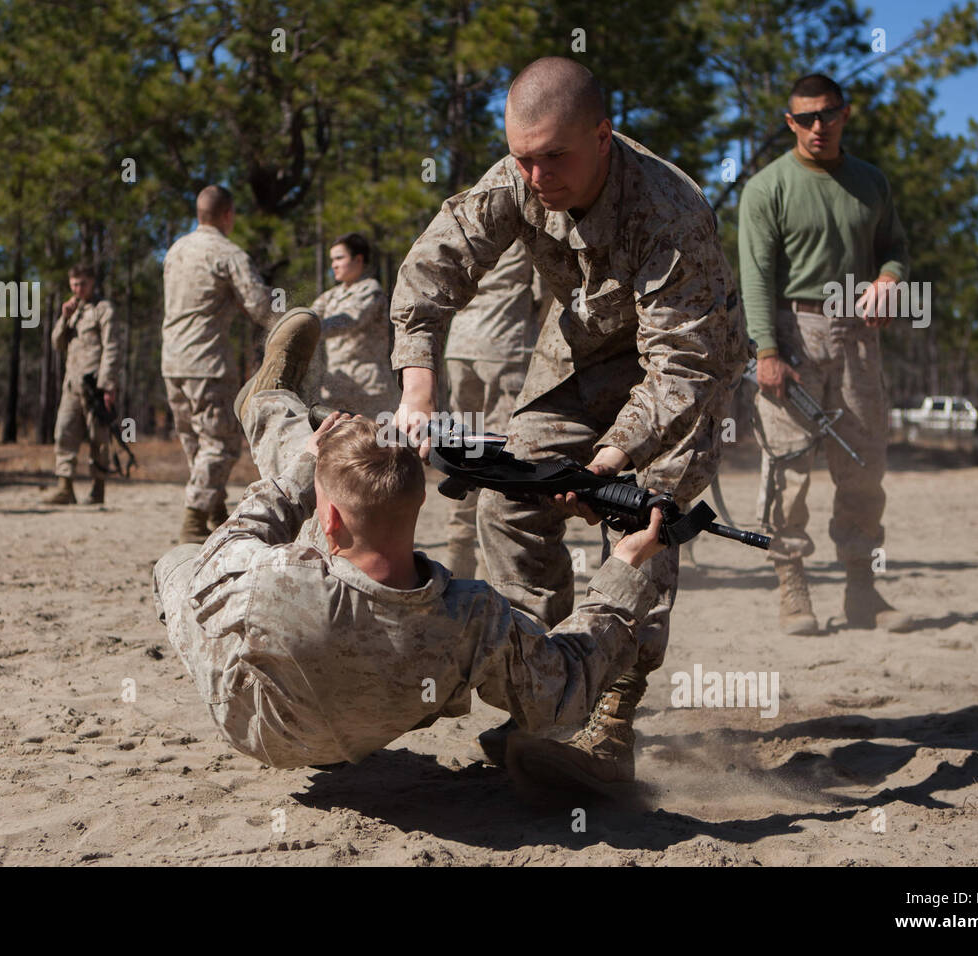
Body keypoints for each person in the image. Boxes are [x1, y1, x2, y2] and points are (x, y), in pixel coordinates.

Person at [388, 57, 747, 790]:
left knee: (643, 522)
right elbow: (433, 266)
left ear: (604, 135)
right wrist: (418, 391)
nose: (537, 176)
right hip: (576, 356)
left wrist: (609, 462)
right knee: (508, 498)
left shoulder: (669, 212)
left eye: (555, 157)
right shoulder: (517, 176)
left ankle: (612, 717)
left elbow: (680, 369)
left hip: (681, 375)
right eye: (523, 158)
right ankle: (542, 688)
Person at [152, 308, 667, 772]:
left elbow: (234, 539)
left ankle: (270, 409)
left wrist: (304, 471)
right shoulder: (473, 618)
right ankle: (274, 410)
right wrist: (622, 568)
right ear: (419, 505)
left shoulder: (273, 580)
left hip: (263, 730)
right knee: (347, 481)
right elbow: (566, 685)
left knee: (178, 564)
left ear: (326, 522)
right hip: (375, 724)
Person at [738, 73, 912, 635]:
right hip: (793, 335)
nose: (819, 126)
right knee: (789, 470)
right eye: (806, 117)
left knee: (864, 466)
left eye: (828, 114)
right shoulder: (768, 188)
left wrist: (889, 279)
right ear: (791, 123)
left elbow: (895, 249)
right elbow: (757, 277)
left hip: (859, 337)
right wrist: (766, 350)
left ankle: (862, 591)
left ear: (845, 114)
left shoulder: (871, 182)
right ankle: (793, 589)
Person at [162, 185, 278, 542]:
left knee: (193, 439)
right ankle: (194, 521)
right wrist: (294, 326)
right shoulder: (228, 254)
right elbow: (260, 306)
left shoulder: (175, 251)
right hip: (207, 362)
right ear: (228, 215)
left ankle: (212, 507)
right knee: (220, 443)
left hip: (172, 360)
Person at [441, 238, 545, 578]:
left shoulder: (473, 228)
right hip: (504, 347)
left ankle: (457, 556)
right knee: (499, 459)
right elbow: (547, 293)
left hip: (461, 346)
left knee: (464, 451)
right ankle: (492, 571)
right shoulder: (533, 226)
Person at [44, 263, 122, 506]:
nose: (78, 289)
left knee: (98, 438)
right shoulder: (73, 311)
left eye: (83, 284)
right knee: (64, 432)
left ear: (92, 283)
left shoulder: (103, 309)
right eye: (74, 284)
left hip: (95, 385)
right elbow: (57, 344)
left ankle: (98, 488)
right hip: (72, 383)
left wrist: (108, 385)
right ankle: (64, 486)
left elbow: (111, 348)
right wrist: (64, 318)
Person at [306, 233, 399, 420]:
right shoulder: (331, 296)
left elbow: (349, 321)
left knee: (378, 445)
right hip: (337, 388)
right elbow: (309, 317)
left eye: (340, 258)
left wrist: (313, 330)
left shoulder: (370, 289)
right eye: (332, 259)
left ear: (358, 259)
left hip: (369, 389)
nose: (334, 265)